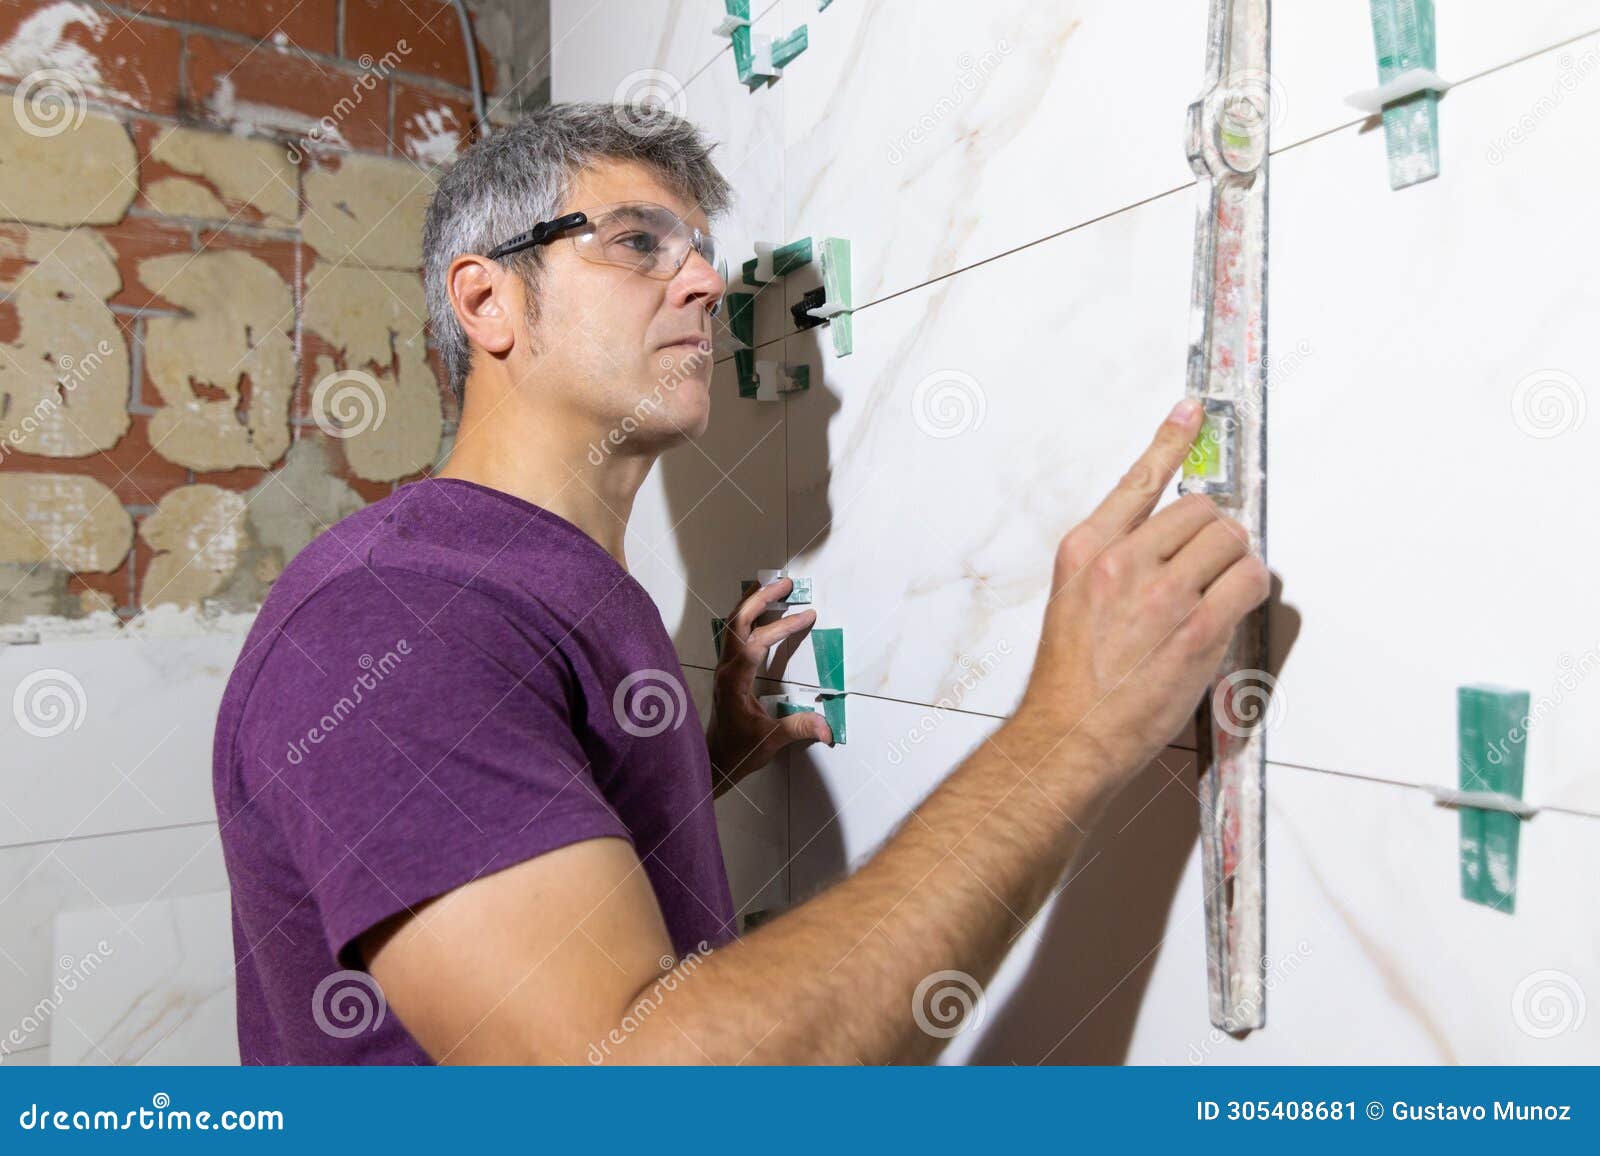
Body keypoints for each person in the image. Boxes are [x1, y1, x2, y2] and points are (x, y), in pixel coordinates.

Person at [212, 102, 1269, 1064]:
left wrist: (682, 764)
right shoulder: (392, 620)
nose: (707, 285)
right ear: (488, 300)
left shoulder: (547, 589)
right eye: (636, 243)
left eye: (703, 256)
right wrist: (1070, 728)